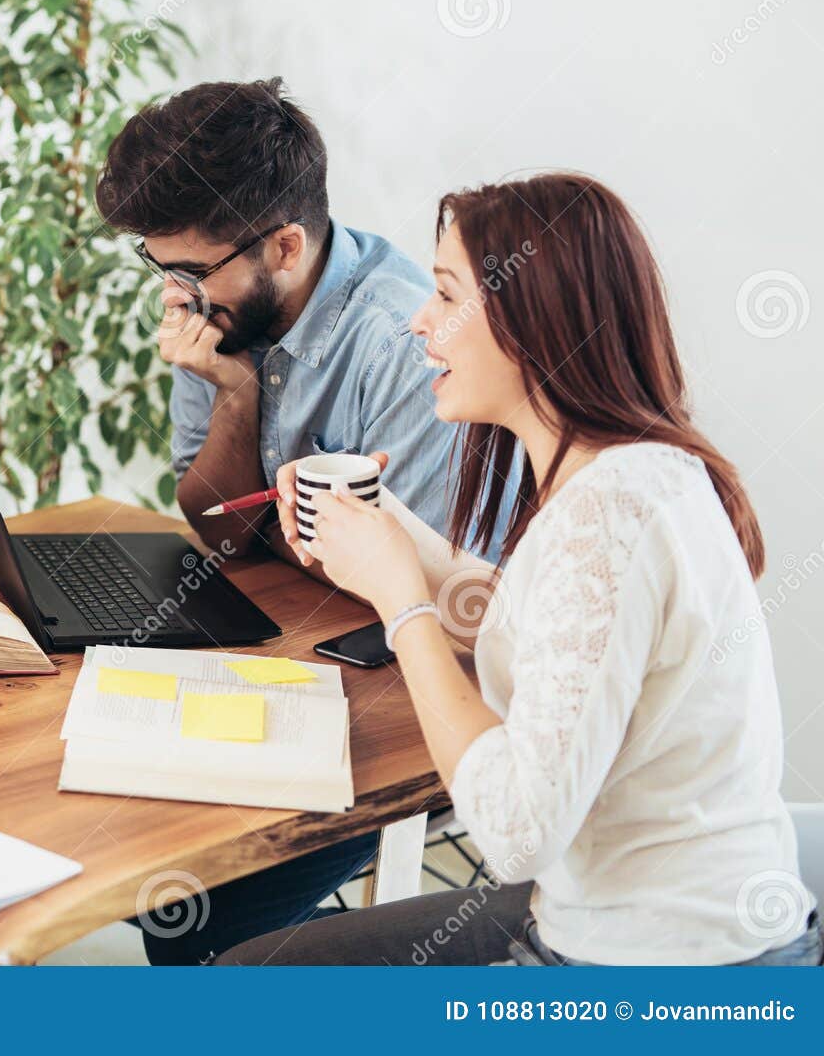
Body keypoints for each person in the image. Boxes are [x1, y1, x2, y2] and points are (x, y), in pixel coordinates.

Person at [221, 172, 820, 966]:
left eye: (444, 294)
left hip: (656, 973)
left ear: (534, 321)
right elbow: (539, 629)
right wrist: (386, 525)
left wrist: (405, 605)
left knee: (250, 980)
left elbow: (513, 833)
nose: (418, 321)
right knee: (268, 970)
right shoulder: (639, 473)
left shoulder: (606, 515)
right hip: (671, 934)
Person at [95, 78, 509, 964]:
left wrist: (286, 537)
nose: (173, 292)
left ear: (284, 244)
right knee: (136, 850)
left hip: (417, 701)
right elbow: (215, 521)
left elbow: (425, 598)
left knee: (197, 916)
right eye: (157, 263)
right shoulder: (224, 306)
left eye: (190, 269)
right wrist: (236, 391)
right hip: (293, 649)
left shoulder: (404, 342)